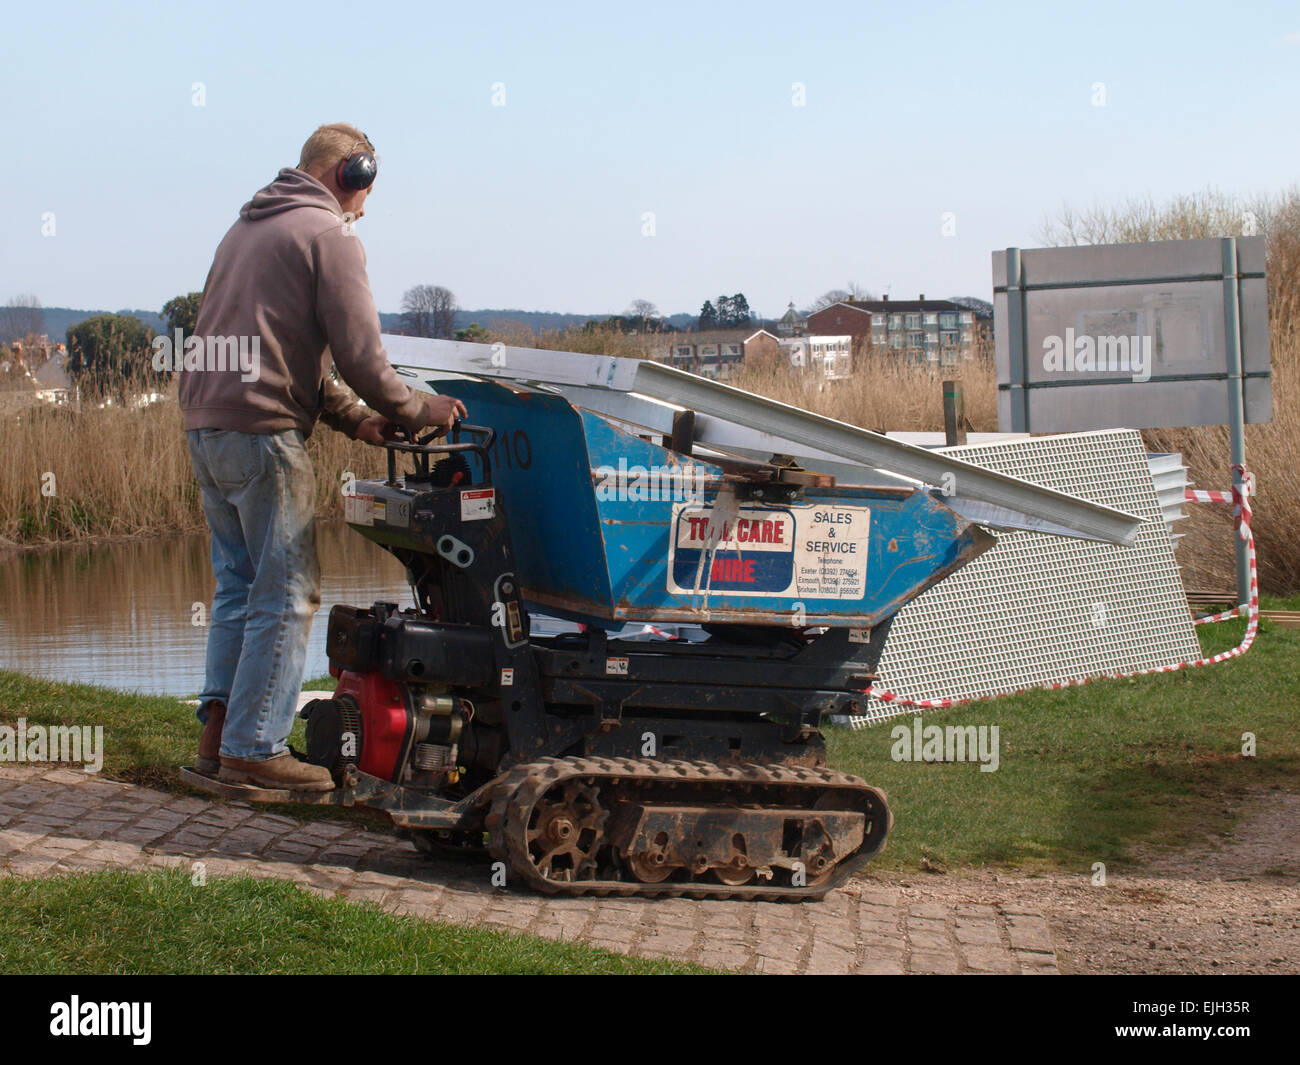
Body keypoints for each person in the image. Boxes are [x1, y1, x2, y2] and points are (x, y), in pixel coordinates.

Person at [179, 122, 466, 791]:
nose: (366, 207)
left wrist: (359, 420)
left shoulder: (247, 228)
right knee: (288, 591)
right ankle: (256, 748)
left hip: (209, 429)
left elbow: (281, 354)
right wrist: (415, 409)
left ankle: (217, 740)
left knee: (240, 588)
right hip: (263, 437)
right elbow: (364, 358)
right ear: (352, 173)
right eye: (367, 190)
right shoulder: (331, 235)